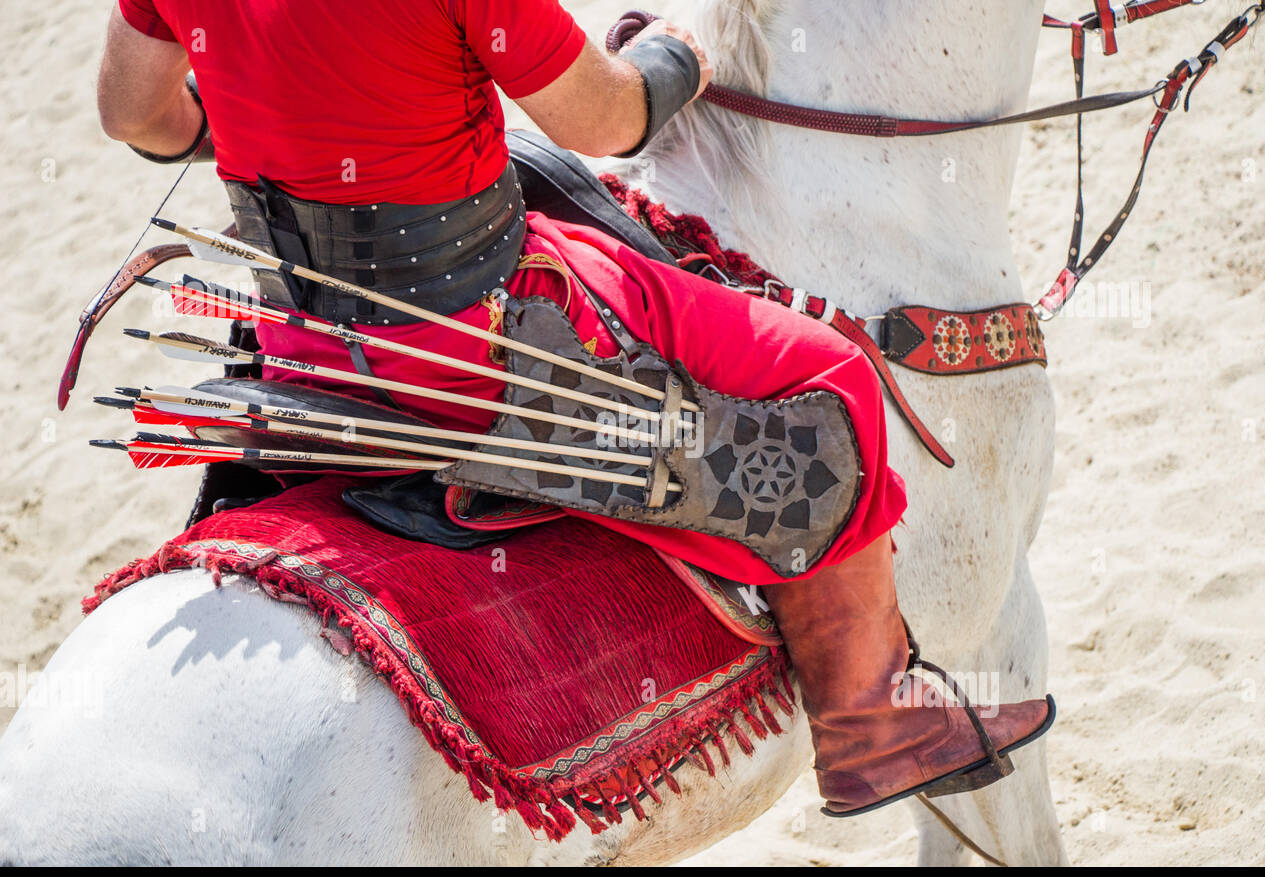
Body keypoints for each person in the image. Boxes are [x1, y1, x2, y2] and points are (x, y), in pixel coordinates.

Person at [97, 0, 1053, 817]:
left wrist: (296, 117)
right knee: (831, 371)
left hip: (301, 345)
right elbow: (606, 123)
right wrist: (674, 55)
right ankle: (870, 718)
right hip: (474, 343)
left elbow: (135, 114)